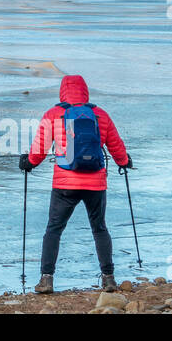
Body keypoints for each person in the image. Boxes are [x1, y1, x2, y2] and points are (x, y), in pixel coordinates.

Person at [19, 74, 132, 293]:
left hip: (65, 184)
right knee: (99, 229)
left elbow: (40, 148)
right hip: (95, 183)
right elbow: (115, 144)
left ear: (63, 91)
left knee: (54, 229)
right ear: (85, 91)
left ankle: (46, 280)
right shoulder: (100, 115)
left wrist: (28, 163)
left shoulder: (54, 114)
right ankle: (108, 278)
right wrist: (124, 161)